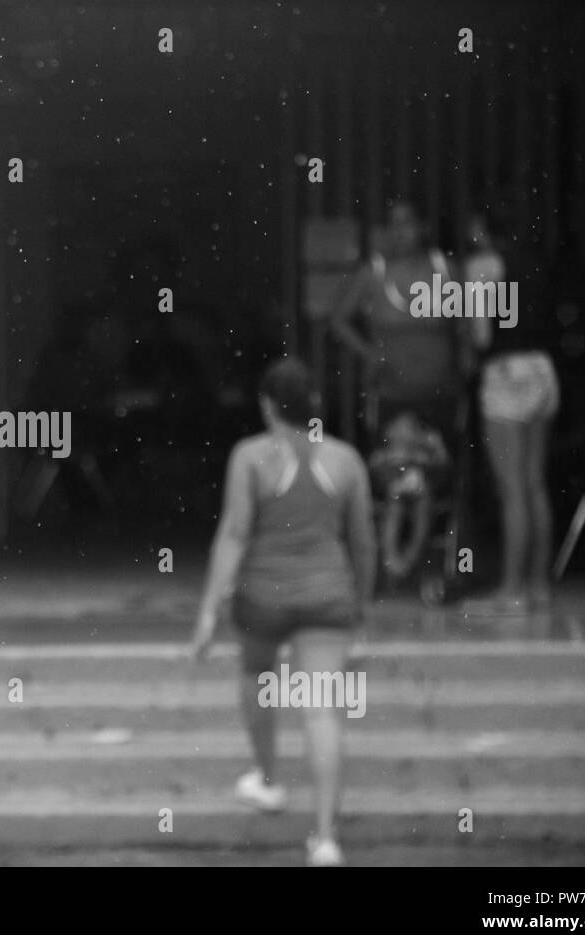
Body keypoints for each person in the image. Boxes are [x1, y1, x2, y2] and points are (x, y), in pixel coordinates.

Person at [191, 358, 376, 867]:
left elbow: (234, 534)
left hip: (262, 598)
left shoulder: (250, 456)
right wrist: (362, 611)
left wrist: (209, 610)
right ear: (312, 405)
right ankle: (324, 840)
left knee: (256, 673)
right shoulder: (345, 460)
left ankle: (268, 781)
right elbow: (363, 543)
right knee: (322, 712)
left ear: (268, 405)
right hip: (328, 598)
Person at [462, 209, 561, 613]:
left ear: (481, 226)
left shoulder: (482, 264)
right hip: (542, 370)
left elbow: (482, 333)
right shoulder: (533, 260)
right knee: (535, 484)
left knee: (511, 489)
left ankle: (511, 592)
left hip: (506, 374)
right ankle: (539, 587)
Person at [329, 200, 462, 444]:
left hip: (440, 390)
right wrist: (369, 354)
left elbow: (464, 323)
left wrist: (463, 365)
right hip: (390, 393)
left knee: (440, 467)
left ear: (423, 227)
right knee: (391, 470)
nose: (400, 230)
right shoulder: (373, 272)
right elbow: (338, 320)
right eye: (393, 224)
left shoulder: (445, 269)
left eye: (407, 222)